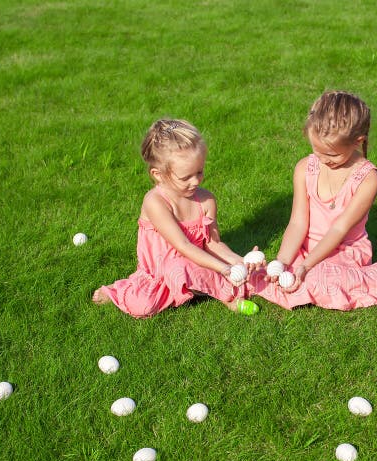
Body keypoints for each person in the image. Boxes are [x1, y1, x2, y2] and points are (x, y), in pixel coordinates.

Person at [251, 91, 377, 310]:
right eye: (317, 151)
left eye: (332, 155)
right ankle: (349, 286)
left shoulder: (367, 179)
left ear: (358, 142)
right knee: (265, 279)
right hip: (308, 248)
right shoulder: (304, 169)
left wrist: (306, 266)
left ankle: (375, 281)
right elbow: (298, 223)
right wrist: (282, 262)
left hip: (344, 250)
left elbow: (339, 229)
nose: (324, 160)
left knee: (320, 279)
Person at [93, 118, 259, 317]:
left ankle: (212, 290)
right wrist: (224, 269)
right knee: (144, 305)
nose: (196, 181)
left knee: (204, 271)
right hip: (161, 274)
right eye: (186, 177)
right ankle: (116, 291)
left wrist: (238, 261)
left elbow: (214, 244)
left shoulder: (206, 201)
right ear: (158, 175)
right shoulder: (155, 202)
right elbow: (183, 246)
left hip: (196, 265)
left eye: (199, 172)